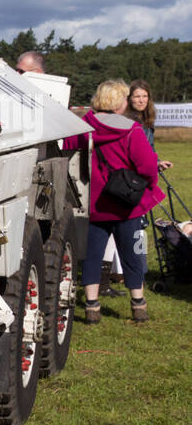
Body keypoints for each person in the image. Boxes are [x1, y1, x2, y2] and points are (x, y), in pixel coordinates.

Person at [62, 79, 165, 323]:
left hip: (94, 203)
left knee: (92, 255)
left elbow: (65, 146)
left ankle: (91, 306)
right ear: (120, 101)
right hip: (126, 203)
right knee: (132, 254)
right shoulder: (132, 129)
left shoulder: (83, 126)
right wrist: (151, 186)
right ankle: (138, 304)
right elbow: (148, 166)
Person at [124, 79, 173, 171]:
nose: (141, 100)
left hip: (142, 173)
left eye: (145, 96)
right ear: (129, 98)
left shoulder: (148, 120)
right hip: (127, 173)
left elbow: (149, 148)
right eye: (137, 96)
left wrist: (158, 163)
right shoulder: (124, 120)